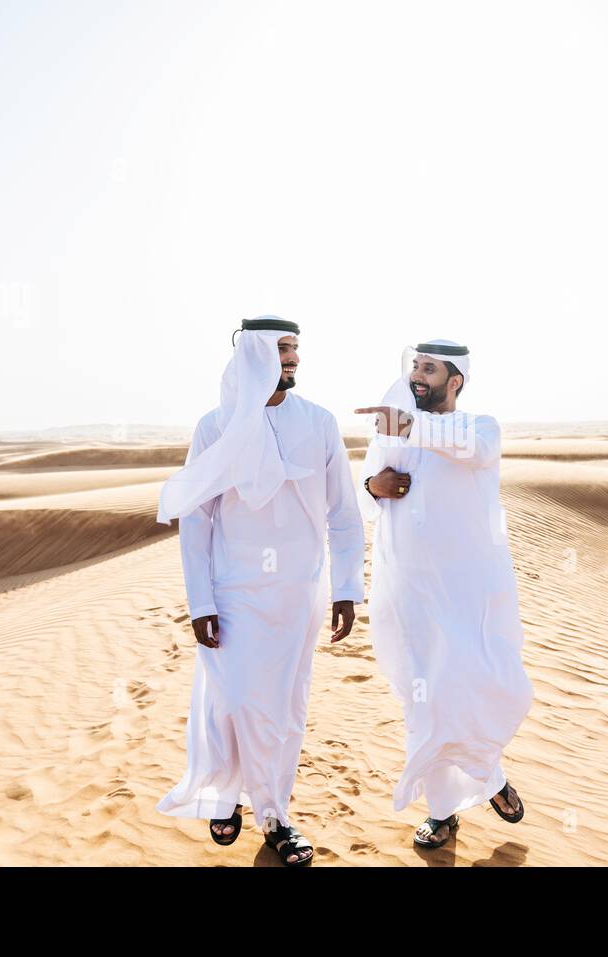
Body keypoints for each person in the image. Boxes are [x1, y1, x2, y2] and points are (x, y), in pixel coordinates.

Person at [156, 315, 364, 866]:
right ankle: (225, 791)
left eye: (295, 349)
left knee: (285, 708)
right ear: (254, 356)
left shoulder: (318, 422)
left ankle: (275, 816)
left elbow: (344, 512)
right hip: (233, 592)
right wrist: (200, 600)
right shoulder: (215, 427)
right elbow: (197, 521)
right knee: (236, 699)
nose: (292, 359)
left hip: (300, 593)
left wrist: (347, 587)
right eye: (281, 349)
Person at [354, 339, 534, 849]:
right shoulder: (393, 434)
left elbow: (468, 450)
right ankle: (442, 813)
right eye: (415, 366)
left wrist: (410, 427)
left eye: (429, 369)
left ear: (455, 381)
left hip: (465, 598)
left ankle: (489, 773)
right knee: (423, 703)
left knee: (471, 690)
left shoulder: (478, 428)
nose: (418, 376)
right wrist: (374, 485)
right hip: (406, 597)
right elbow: (364, 491)